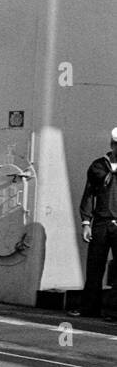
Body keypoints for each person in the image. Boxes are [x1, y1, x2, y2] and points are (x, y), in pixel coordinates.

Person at [68, 128, 117, 320]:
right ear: (112, 145)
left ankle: (113, 311)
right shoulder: (98, 167)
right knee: (94, 266)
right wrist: (86, 222)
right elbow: (89, 195)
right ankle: (90, 308)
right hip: (102, 222)